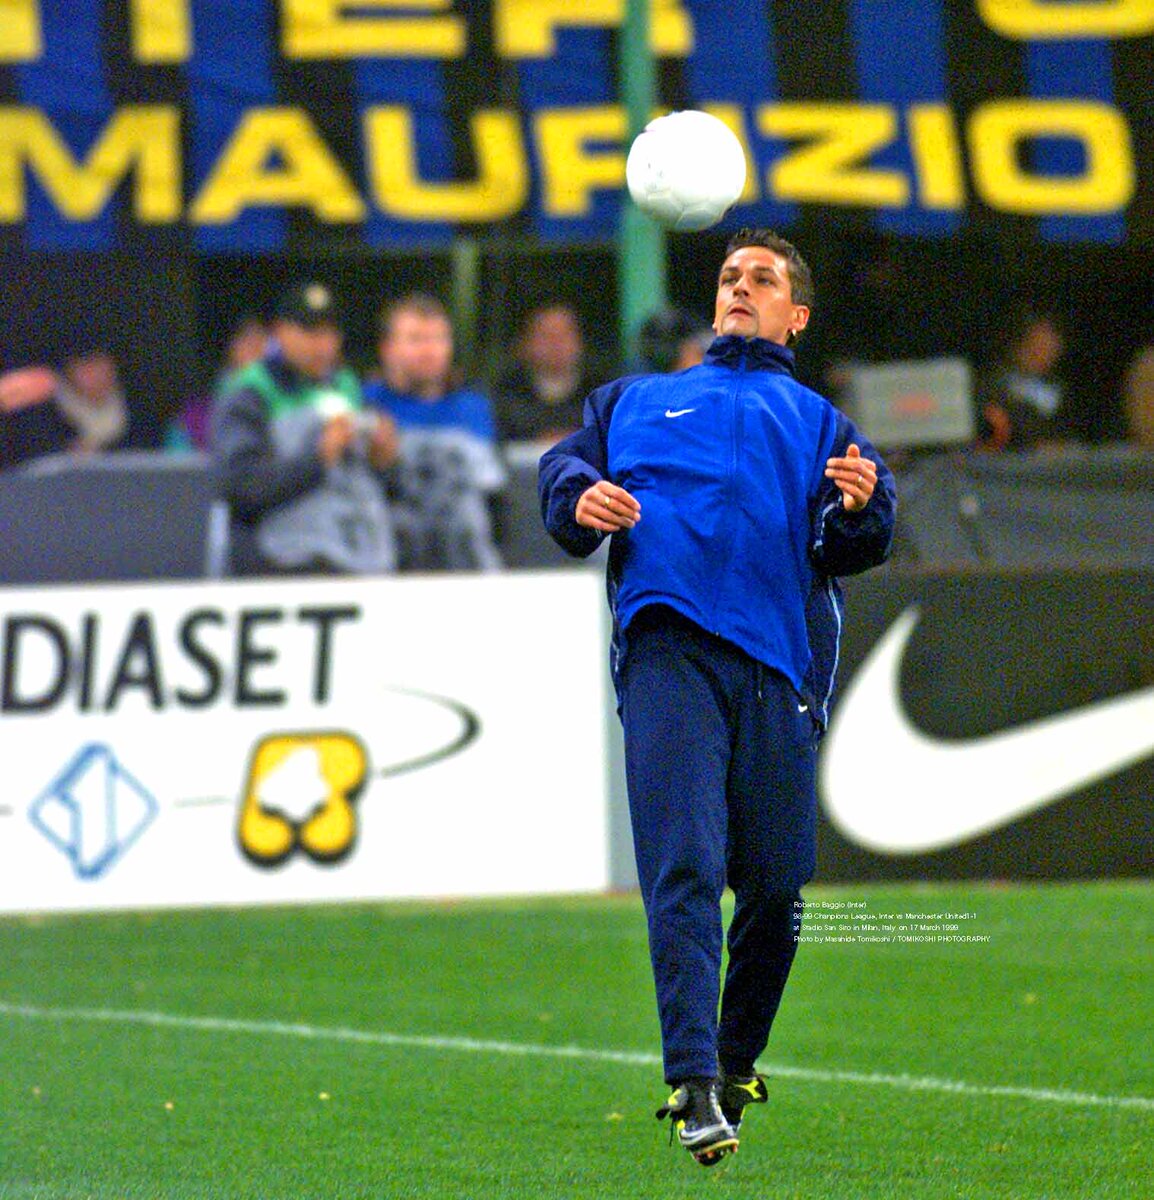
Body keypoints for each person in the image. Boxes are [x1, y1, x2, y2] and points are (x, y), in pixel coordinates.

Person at [539, 229, 896, 1166]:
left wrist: (861, 506)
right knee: (688, 864)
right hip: (668, 652)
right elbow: (563, 471)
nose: (741, 286)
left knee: (777, 887)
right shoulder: (634, 400)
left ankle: (735, 1061)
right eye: (732, 275)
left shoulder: (821, 423)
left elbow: (856, 537)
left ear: (796, 315)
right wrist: (577, 497)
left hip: (777, 667)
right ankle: (693, 1077)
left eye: (763, 279)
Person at [212, 282, 399, 576]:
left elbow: (369, 480)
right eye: (311, 333)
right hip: (282, 559)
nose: (323, 345)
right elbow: (240, 486)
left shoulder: (345, 385)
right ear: (280, 332)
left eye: (331, 333)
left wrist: (383, 459)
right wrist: (318, 457)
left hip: (356, 548)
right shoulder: (250, 392)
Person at [363, 293, 505, 571]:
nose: (429, 351)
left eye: (438, 339)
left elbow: (496, 498)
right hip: (388, 555)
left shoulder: (475, 408)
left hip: (466, 556)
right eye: (416, 339)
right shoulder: (366, 405)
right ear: (387, 348)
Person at [491, 303, 606, 445]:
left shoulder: (602, 394)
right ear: (526, 343)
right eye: (545, 335)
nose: (556, 344)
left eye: (565, 335)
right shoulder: (505, 394)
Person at [166, 315, 268, 453]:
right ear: (231, 347)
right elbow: (176, 464)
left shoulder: (288, 403)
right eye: (247, 339)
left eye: (263, 339)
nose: (256, 347)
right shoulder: (191, 421)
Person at [975, 309, 1069, 451]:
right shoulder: (994, 386)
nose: (1044, 354)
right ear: (1019, 346)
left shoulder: (1059, 389)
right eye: (1037, 346)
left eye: (1050, 347)